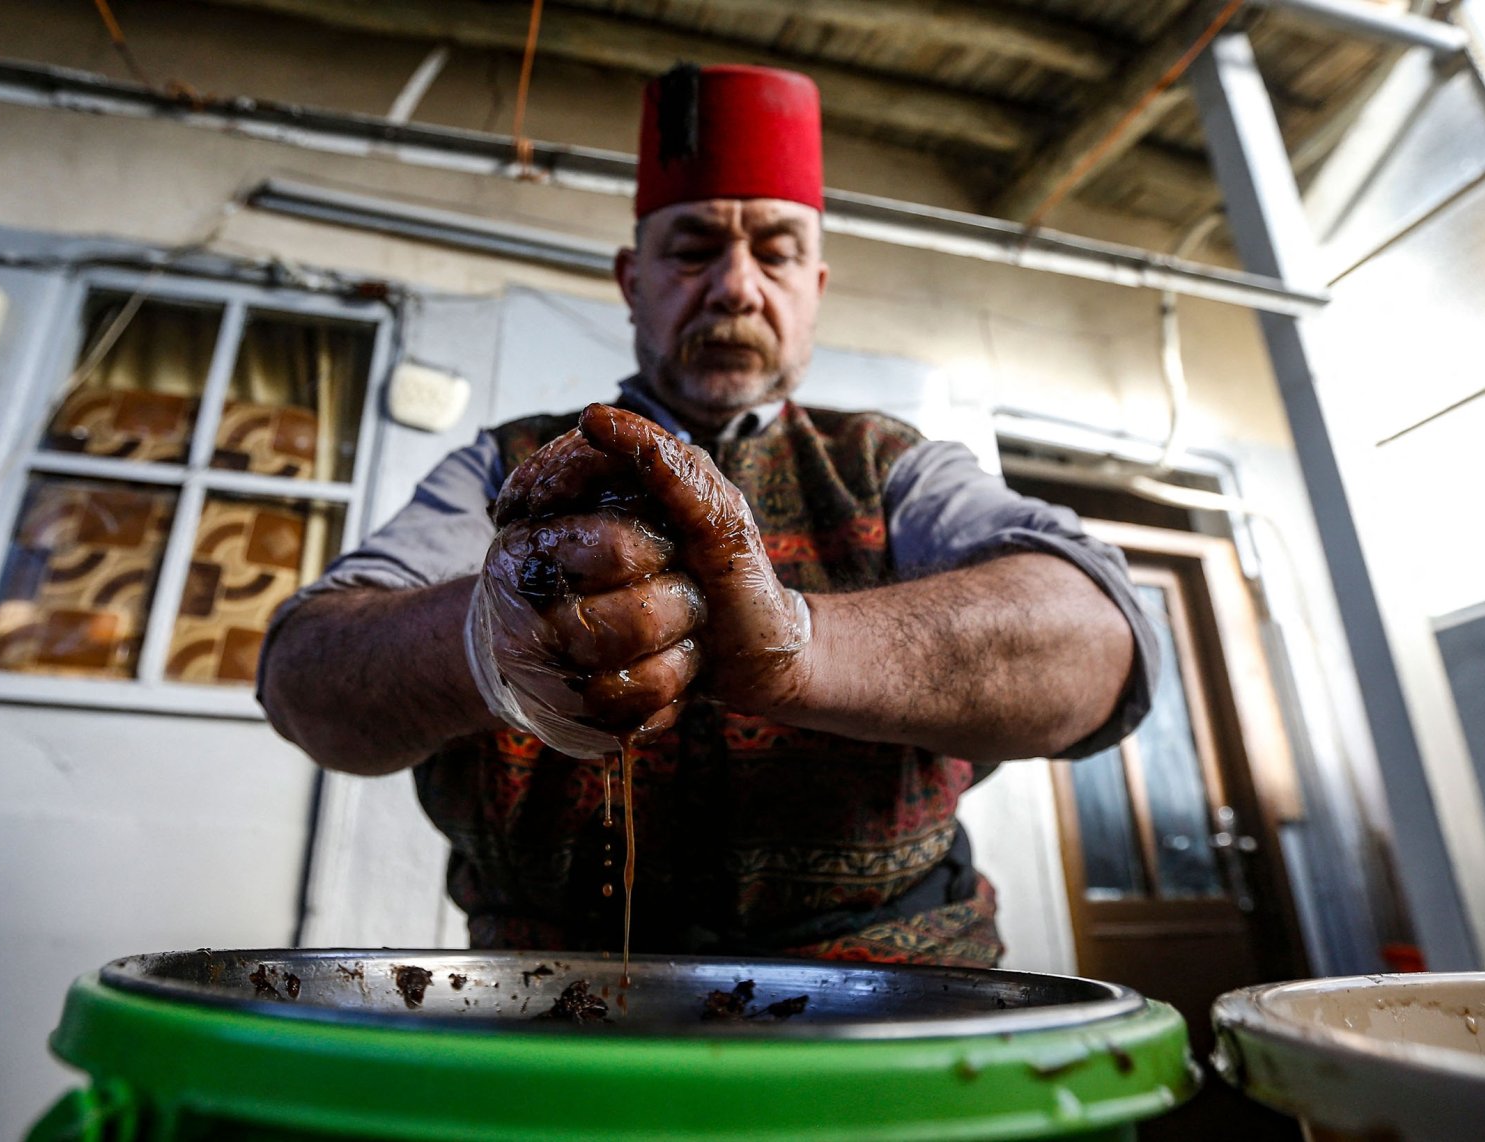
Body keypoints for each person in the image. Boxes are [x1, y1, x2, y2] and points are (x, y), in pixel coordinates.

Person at [259, 63, 1157, 966]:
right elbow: (303, 678)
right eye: (692, 249)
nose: (735, 286)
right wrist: (487, 638)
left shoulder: (894, 469)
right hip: (556, 1008)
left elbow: (1101, 645)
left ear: (814, 285)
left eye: (775, 251)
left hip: (901, 997)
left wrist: (799, 648)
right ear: (631, 280)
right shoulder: (507, 468)